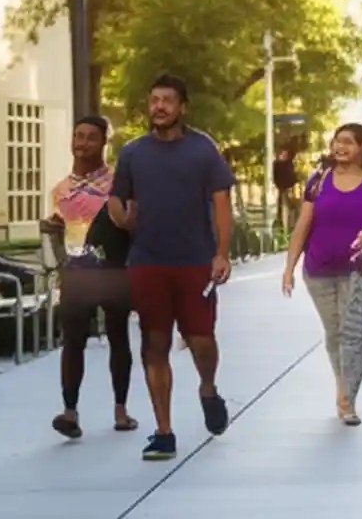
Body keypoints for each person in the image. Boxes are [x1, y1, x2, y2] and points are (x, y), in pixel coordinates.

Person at [108, 74, 236, 461]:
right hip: (148, 262)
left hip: (195, 261)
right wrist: (122, 219)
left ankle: (208, 388)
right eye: (154, 100)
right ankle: (164, 432)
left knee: (201, 340)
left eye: (167, 100)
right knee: (154, 344)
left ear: (182, 107)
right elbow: (117, 199)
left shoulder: (202, 150)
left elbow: (220, 203)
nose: (159, 107)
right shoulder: (133, 152)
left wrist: (222, 252)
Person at [281, 124, 362, 425]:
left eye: (348, 142)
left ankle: (349, 400)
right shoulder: (318, 182)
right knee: (335, 335)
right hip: (318, 270)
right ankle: (342, 386)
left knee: (352, 333)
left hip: (359, 271)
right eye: (337, 141)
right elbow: (302, 226)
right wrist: (289, 267)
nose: (340, 146)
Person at [44, 116, 136, 439]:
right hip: (76, 274)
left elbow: (131, 224)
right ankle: (70, 412)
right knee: (72, 342)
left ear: (104, 143)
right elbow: (56, 233)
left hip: (113, 271)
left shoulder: (118, 183)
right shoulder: (60, 190)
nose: (82, 144)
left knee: (118, 336)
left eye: (90, 138)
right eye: (78, 136)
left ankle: (121, 409)